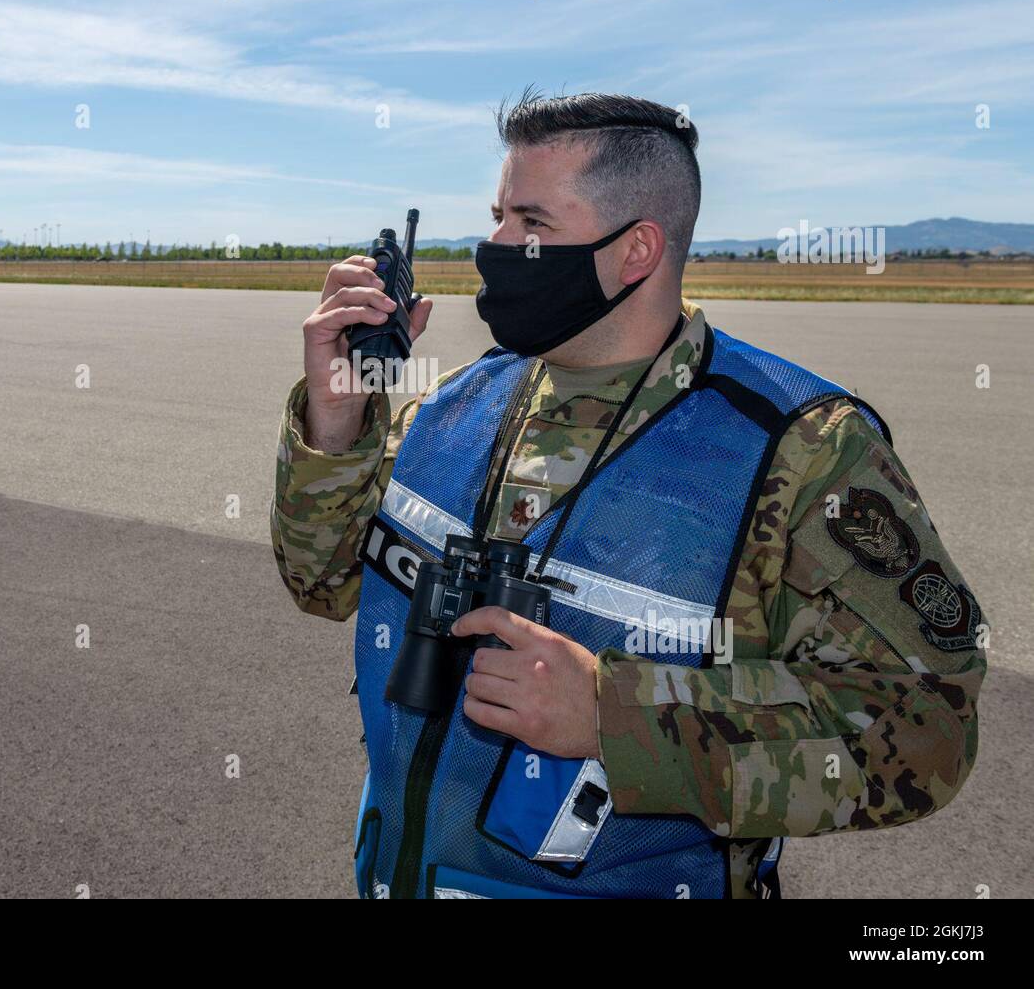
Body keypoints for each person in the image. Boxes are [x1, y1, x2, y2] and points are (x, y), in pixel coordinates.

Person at [270, 91, 986, 899]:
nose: (493, 247)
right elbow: (322, 582)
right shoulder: (459, 402)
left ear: (636, 250)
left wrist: (619, 718)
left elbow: (926, 727)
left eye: (532, 225)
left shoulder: (801, 452)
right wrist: (336, 423)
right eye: (498, 215)